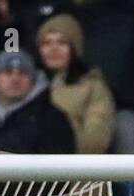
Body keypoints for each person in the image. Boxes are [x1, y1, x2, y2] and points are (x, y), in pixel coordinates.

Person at [0, 49, 76, 154]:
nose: (15, 79)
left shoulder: (53, 119)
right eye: (8, 72)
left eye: (23, 73)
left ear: (33, 80)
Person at [35, 13, 116, 154]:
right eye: (47, 43)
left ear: (74, 48)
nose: (54, 49)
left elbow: (94, 143)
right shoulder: (24, 84)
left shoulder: (93, 87)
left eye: (62, 42)